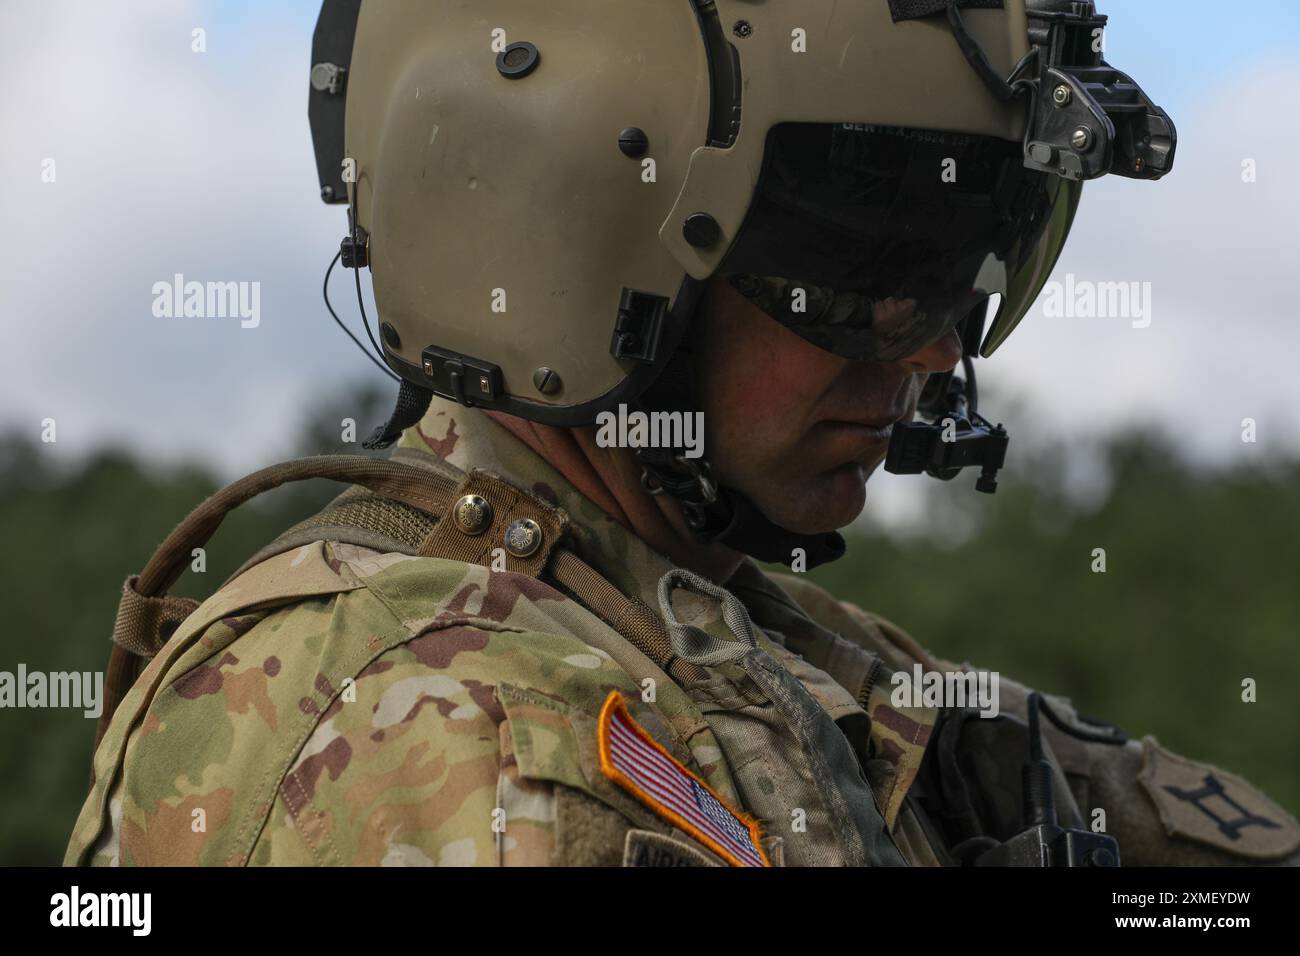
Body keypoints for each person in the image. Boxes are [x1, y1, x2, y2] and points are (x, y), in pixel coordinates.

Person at [66, 0, 1298, 867]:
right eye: (875, 268)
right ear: (571, 227)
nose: (933, 350)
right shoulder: (437, 725)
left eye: (969, 261)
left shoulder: (754, 638)